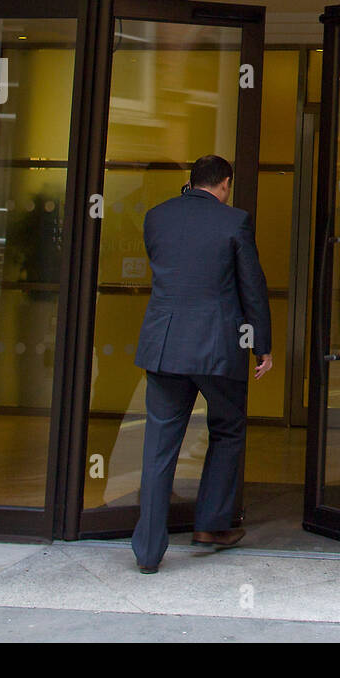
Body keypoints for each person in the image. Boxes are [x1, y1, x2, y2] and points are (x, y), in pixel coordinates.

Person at [130, 154, 273, 574]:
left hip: (165, 345)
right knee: (227, 429)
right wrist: (261, 344)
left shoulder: (157, 218)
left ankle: (148, 552)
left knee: (159, 446)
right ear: (224, 183)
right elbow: (252, 284)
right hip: (217, 347)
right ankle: (211, 525)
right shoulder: (235, 222)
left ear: (191, 182)